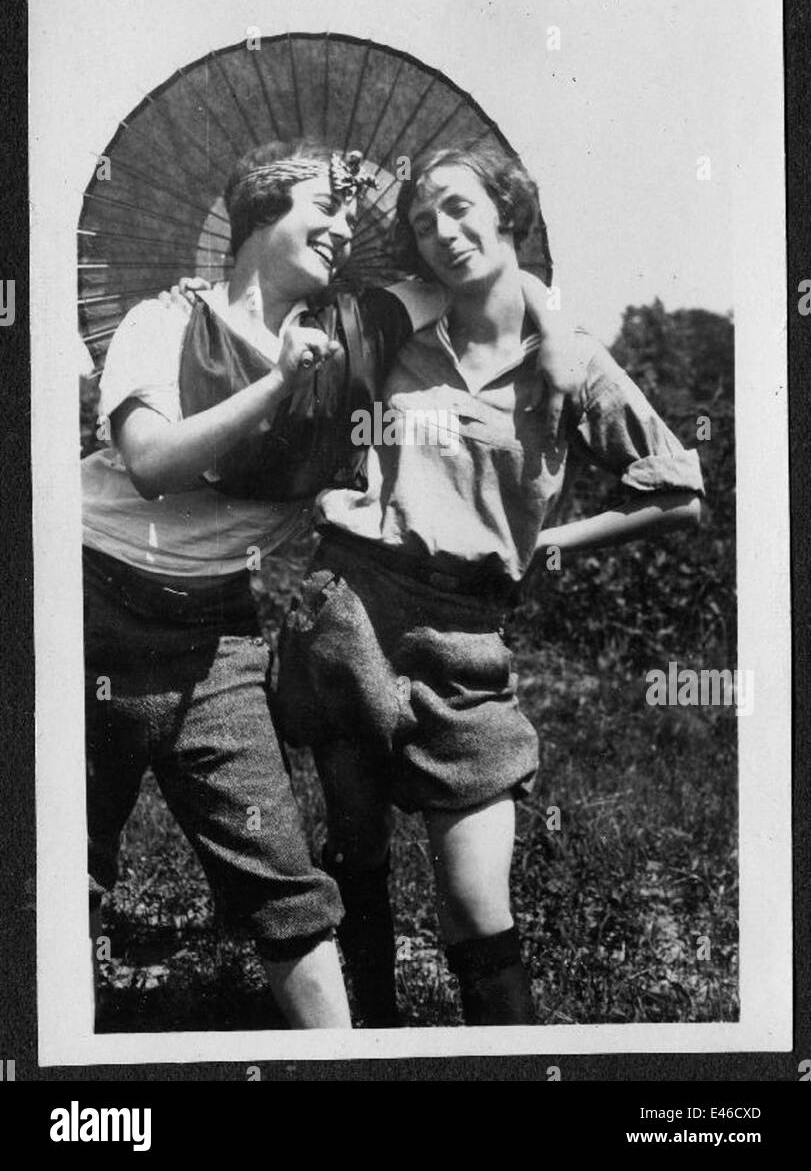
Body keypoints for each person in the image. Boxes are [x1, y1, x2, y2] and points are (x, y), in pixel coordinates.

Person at [82, 137, 573, 1029]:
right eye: (326, 208)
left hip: (219, 632)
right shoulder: (164, 323)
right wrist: (276, 384)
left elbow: (490, 274)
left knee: (286, 887)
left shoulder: (363, 324)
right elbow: (151, 463)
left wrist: (559, 329)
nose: (347, 230)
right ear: (263, 212)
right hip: (88, 608)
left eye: (353, 216)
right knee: (71, 859)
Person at [275, 145, 708, 1027]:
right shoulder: (398, 341)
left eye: (459, 207)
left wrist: (553, 540)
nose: (442, 231)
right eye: (424, 221)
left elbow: (677, 493)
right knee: (355, 861)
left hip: (465, 645)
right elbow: (307, 410)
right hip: (352, 610)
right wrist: (327, 483)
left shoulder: (571, 358)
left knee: (476, 909)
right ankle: (365, 1056)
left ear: (507, 209)